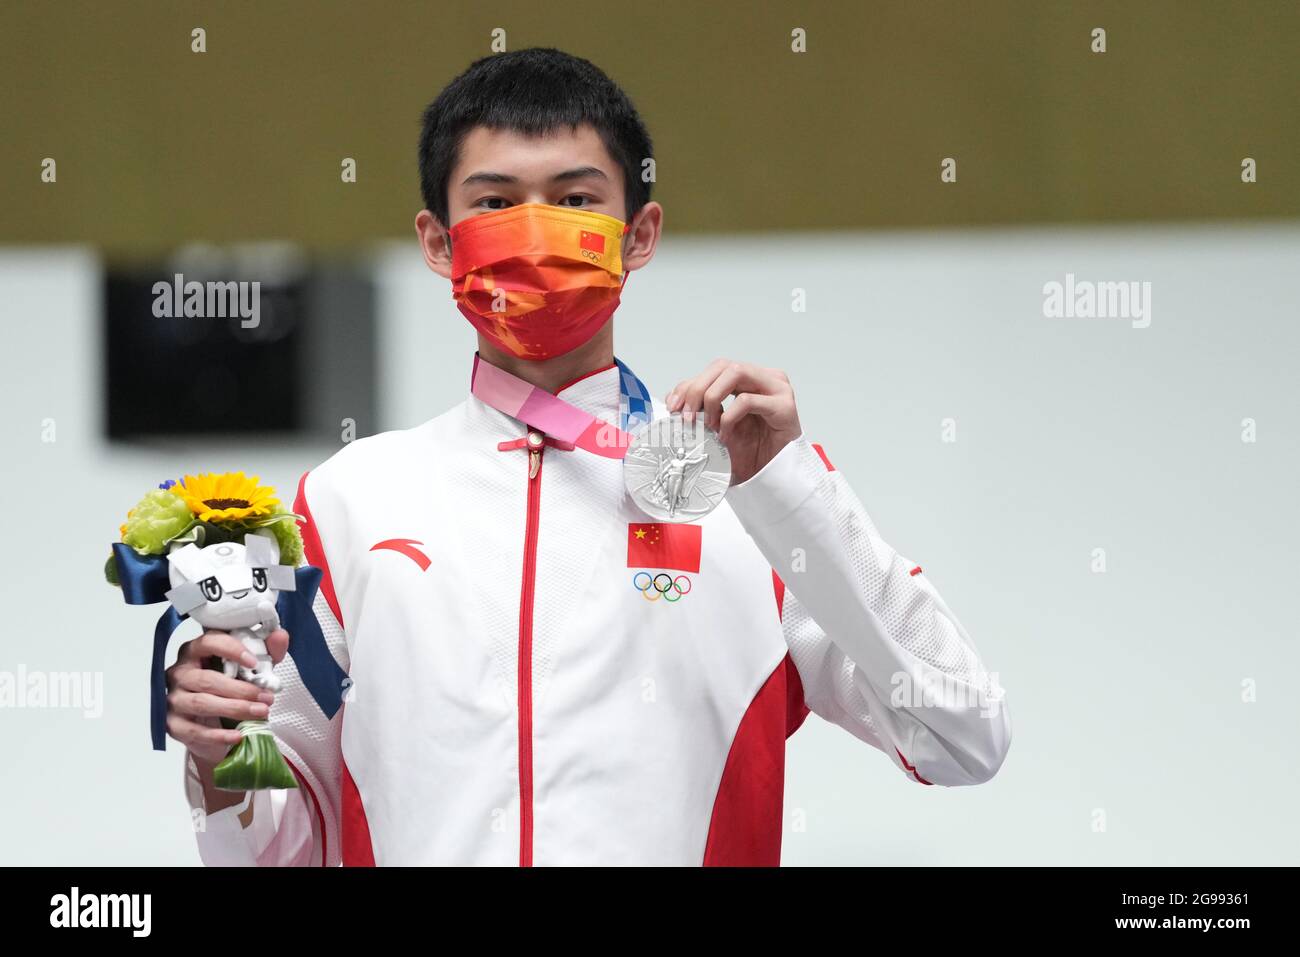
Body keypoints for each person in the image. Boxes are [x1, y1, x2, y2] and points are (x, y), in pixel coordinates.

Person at [164, 47, 1011, 866]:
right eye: (494, 204)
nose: (534, 232)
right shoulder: (351, 500)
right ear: (438, 241)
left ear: (638, 234)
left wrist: (790, 491)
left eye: (574, 199)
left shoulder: (746, 500)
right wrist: (219, 755)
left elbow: (964, 734)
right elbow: (275, 853)